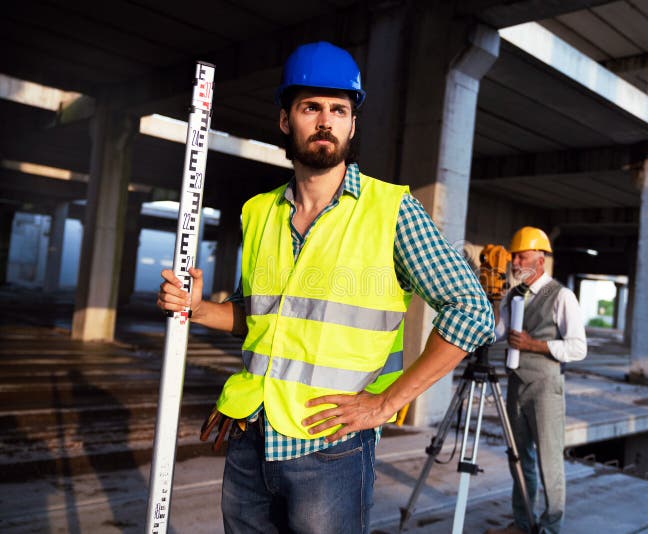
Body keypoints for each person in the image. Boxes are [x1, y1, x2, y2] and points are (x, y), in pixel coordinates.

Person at [156, 41, 494, 534]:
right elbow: (263, 318)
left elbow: (471, 309)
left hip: (330, 448)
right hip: (250, 435)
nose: (325, 121)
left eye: (338, 109)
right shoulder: (258, 212)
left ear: (352, 125)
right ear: (285, 120)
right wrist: (200, 308)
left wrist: (387, 403)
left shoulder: (392, 211)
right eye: (310, 107)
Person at [489, 227, 587, 534]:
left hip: (546, 387)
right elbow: (497, 333)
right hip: (516, 384)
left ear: (540, 260)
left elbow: (578, 348)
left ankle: (551, 527)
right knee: (519, 459)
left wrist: (534, 345)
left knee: (549, 461)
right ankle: (523, 523)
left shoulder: (562, 296)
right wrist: (493, 299)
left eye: (522, 257)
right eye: (514, 257)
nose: (515, 263)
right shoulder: (513, 295)